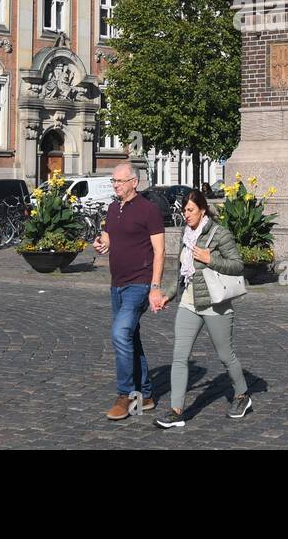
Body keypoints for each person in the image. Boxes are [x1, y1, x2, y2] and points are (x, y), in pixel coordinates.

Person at [154, 190, 251, 428]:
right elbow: (182, 272)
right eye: (184, 210)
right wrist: (168, 293)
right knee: (179, 356)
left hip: (214, 304)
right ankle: (176, 411)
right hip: (188, 301)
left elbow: (238, 265)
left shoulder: (220, 234)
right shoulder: (186, 234)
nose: (186, 215)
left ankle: (242, 395)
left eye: (190, 210)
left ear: (203, 210)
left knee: (225, 355)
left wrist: (211, 259)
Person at [93, 163, 165, 420]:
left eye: (120, 181)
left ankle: (126, 395)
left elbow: (160, 251)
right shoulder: (113, 208)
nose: (116, 185)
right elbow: (109, 237)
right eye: (113, 181)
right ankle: (145, 395)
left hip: (140, 283)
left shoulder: (149, 210)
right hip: (117, 284)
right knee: (130, 338)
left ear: (134, 182)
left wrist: (155, 287)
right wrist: (102, 244)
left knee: (120, 333)